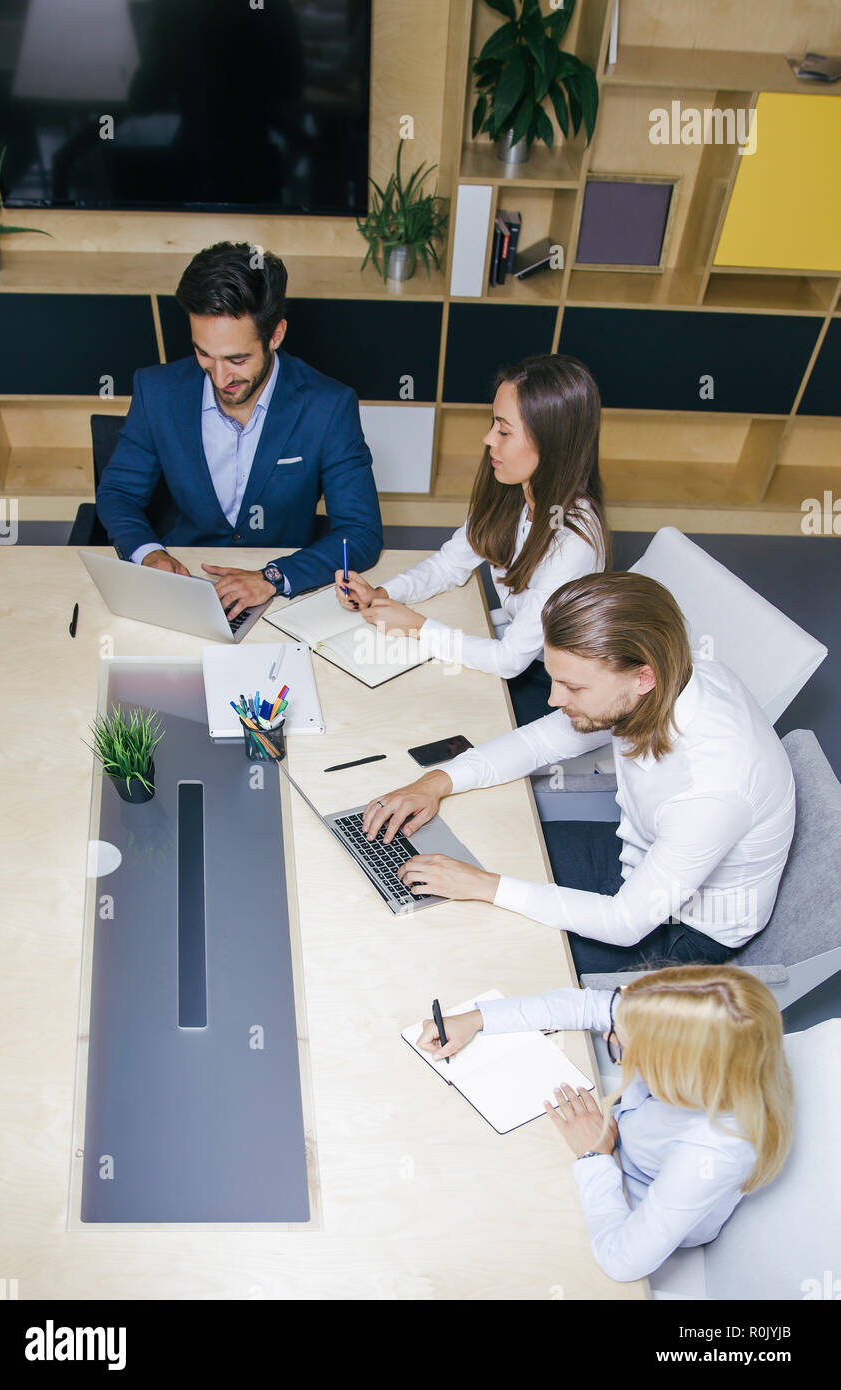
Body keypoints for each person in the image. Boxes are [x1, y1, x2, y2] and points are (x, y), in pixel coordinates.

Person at [362, 571, 796, 975]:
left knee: (479, 950)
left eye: (574, 687)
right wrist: (433, 783)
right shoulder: (667, 674)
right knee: (472, 850)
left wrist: (483, 885)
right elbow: (539, 742)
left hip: (679, 929)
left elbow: (625, 922)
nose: (553, 699)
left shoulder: (710, 789)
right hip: (636, 854)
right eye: (555, 679)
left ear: (644, 677)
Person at [416, 964, 793, 1283]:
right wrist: (478, 1019)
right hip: (616, 1140)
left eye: (621, 1048)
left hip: (632, 1198)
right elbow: (586, 1006)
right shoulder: (703, 1040)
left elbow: (622, 1261)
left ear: (675, 1073)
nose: (610, 1036)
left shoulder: (711, 1154)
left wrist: (596, 1156)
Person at [96, 242, 383, 618]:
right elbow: (118, 492)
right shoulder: (157, 391)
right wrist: (148, 553)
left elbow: (360, 532)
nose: (219, 377)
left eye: (237, 359)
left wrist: (273, 577)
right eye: (204, 354)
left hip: (280, 592)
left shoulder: (328, 405)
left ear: (276, 335)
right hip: (185, 579)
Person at [334, 355, 609, 725]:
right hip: (516, 646)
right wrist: (386, 595)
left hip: (554, 684)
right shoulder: (512, 489)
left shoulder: (573, 542)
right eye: (493, 424)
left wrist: (415, 625)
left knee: (420, 710)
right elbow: (450, 563)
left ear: (552, 443)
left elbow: (510, 661)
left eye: (504, 431)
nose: (487, 439)